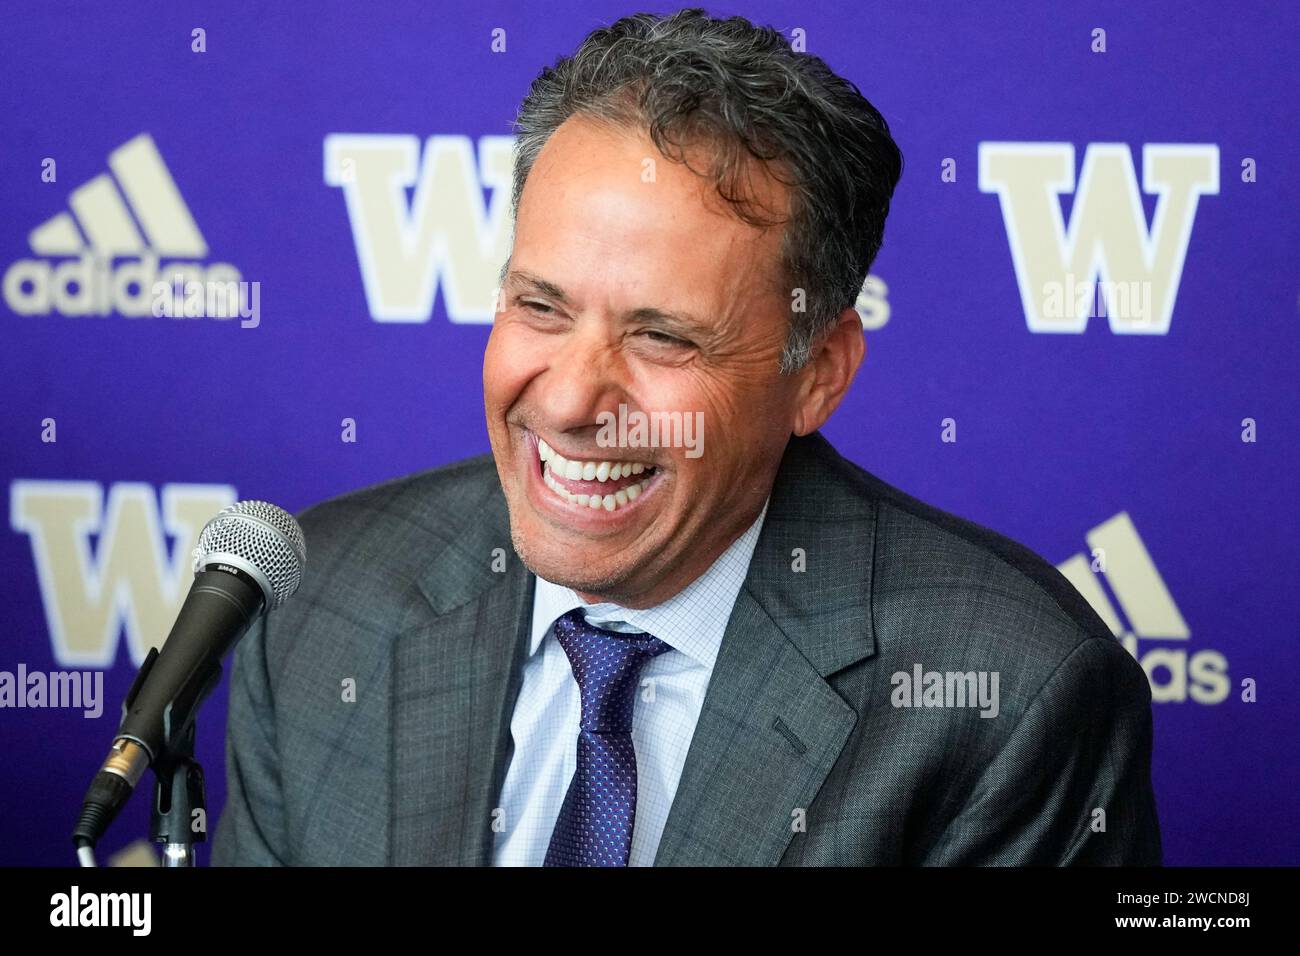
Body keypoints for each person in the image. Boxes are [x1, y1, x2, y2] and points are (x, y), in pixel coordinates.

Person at [212, 8, 1160, 866]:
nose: (576, 400)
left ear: (818, 373)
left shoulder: (1006, 695)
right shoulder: (319, 604)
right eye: (540, 307)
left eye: (662, 336)